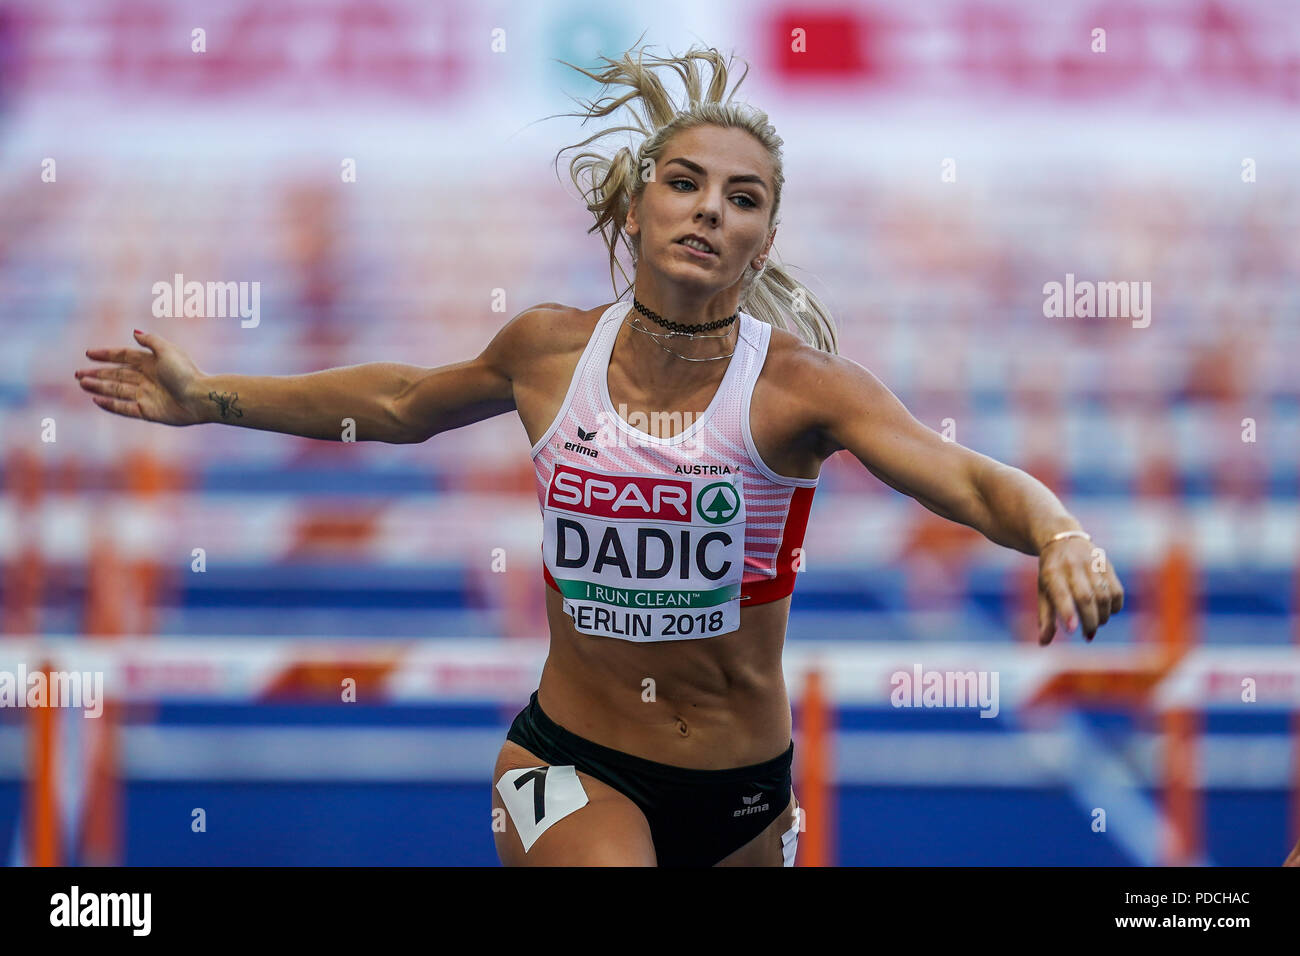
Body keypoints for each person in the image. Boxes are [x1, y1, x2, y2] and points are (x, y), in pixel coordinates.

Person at [75, 44, 1124, 867]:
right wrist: (208, 396)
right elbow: (397, 400)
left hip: (745, 788)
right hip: (568, 761)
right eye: (685, 182)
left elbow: (968, 476)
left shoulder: (800, 388)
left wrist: (1057, 531)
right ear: (636, 204)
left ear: (762, 241)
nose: (711, 206)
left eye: (743, 197)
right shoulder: (547, 352)